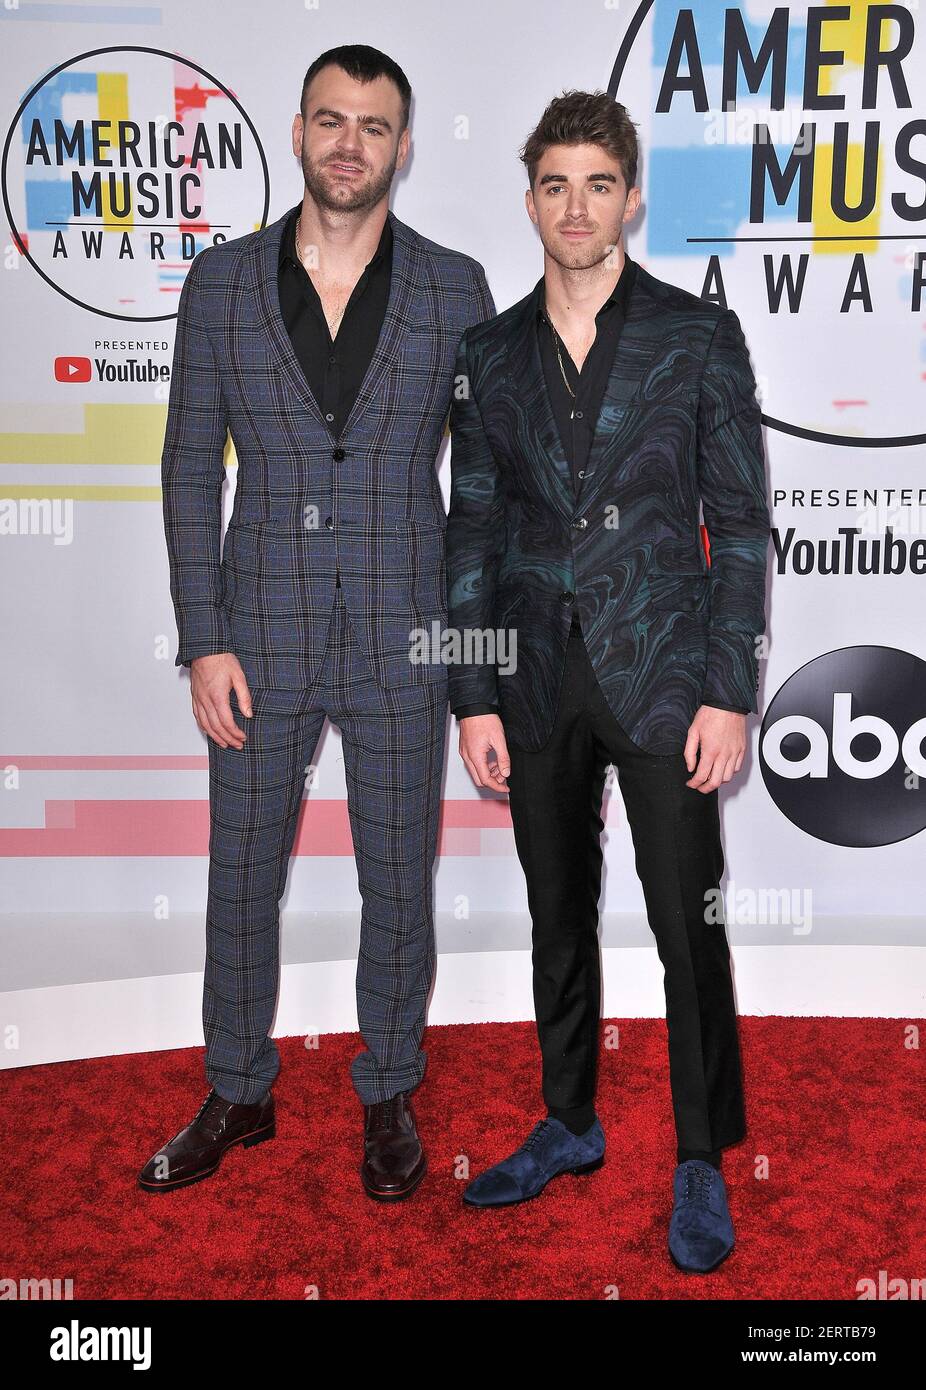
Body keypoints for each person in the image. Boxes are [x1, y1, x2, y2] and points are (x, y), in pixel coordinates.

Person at [142, 44, 494, 1202]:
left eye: (375, 125)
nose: (351, 143)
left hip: (405, 634)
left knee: (398, 878)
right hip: (256, 633)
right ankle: (238, 1087)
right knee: (240, 874)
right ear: (296, 133)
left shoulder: (453, 287)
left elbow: (485, 484)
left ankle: (387, 1088)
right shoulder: (219, 282)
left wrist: (474, 658)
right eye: (331, 121)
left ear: (402, 144)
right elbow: (192, 467)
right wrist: (203, 635)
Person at [445, 90, 769, 1272]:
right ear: (528, 195)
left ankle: (698, 1154)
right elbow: (470, 527)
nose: (574, 206)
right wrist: (470, 692)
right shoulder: (483, 355)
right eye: (553, 183)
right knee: (552, 914)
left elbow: (736, 525)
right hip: (531, 680)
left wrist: (728, 688)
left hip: (668, 677)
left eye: (597, 184)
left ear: (631, 198)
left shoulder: (697, 338)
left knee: (691, 922)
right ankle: (568, 1121)